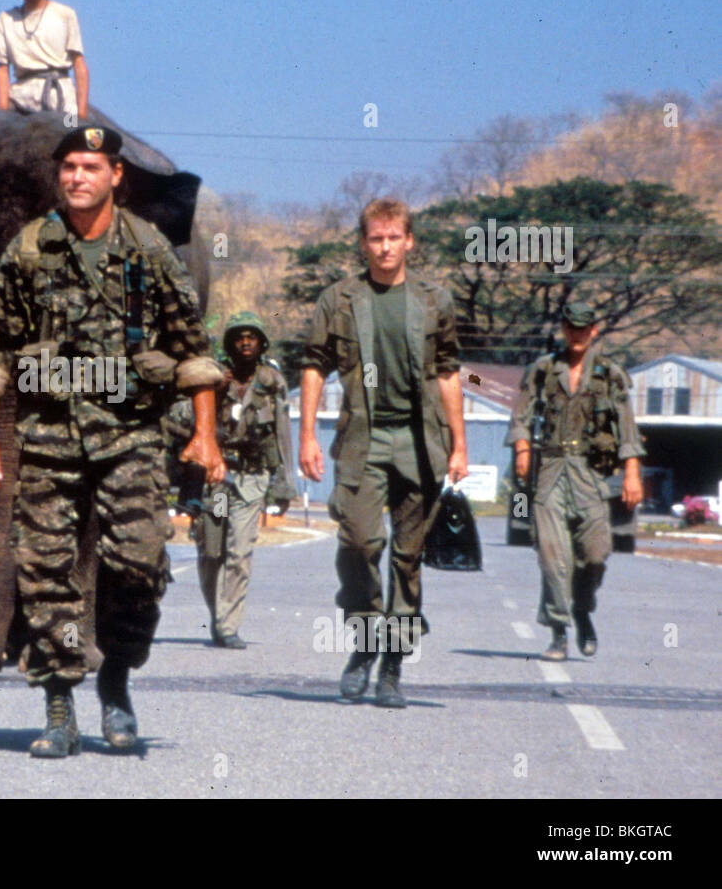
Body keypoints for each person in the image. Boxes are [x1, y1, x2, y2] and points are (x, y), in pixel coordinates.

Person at [0, 125, 224, 757]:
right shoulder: (29, 249)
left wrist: (206, 437)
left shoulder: (150, 249)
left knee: (139, 566)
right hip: (48, 436)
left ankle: (115, 675)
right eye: (70, 167)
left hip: (132, 436)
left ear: (116, 176)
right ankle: (59, 705)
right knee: (46, 571)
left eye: (91, 167)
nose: (78, 177)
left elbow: (192, 350)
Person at [298, 198, 468, 709]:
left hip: (421, 442)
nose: (386, 246)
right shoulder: (340, 298)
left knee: (407, 559)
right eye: (376, 238)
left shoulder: (435, 299)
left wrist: (460, 443)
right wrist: (306, 434)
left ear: (410, 241)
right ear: (363, 242)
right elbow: (313, 365)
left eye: (395, 237)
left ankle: (392, 664)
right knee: (357, 543)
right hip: (362, 440)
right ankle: (366, 638)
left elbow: (449, 371)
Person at [506, 301, 644, 661]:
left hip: (590, 475)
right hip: (550, 471)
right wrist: (522, 451)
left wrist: (632, 473)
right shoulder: (543, 369)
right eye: (571, 327)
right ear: (563, 329)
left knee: (596, 555)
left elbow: (627, 428)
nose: (577, 334)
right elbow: (520, 416)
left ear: (594, 330)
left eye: (584, 328)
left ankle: (582, 608)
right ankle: (558, 632)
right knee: (553, 558)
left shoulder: (609, 374)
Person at [186, 311, 297, 648]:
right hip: (217, 476)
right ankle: (219, 617)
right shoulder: (213, 379)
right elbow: (186, 419)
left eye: (252, 336)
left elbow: (282, 436)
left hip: (252, 477)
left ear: (261, 343)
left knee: (239, 551)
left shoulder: (272, 382)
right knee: (210, 551)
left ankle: (227, 624)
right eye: (239, 336)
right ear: (230, 343)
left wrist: (283, 485)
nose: (246, 341)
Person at [0, 0, 89, 124]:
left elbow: (79, 64)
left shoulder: (65, 15)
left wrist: (81, 114)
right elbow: (2, 70)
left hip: (62, 98)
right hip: (21, 99)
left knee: (77, 140)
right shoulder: (6, 19)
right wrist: (2, 117)